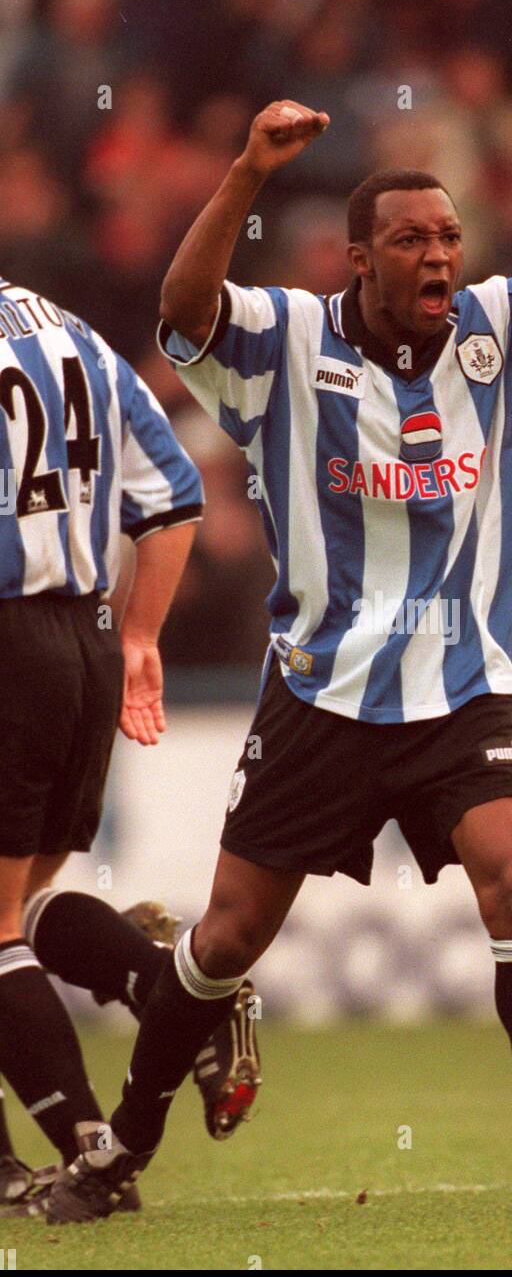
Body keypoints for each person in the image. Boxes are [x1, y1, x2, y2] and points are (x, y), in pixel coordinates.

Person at [48, 61, 512, 1222]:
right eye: (414, 240)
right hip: (321, 690)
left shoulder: (504, 330)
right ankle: (119, 1152)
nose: (441, 256)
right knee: (226, 937)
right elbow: (182, 313)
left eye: (449, 236)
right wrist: (243, 175)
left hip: (461, 690)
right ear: (358, 258)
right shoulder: (284, 341)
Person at [0, 278, 260, 1216]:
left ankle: (90, 1154)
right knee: (22, 906)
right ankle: (161, 985)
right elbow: (175, 493)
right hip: (84, 639)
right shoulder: (68, 329)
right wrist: (140, 637)